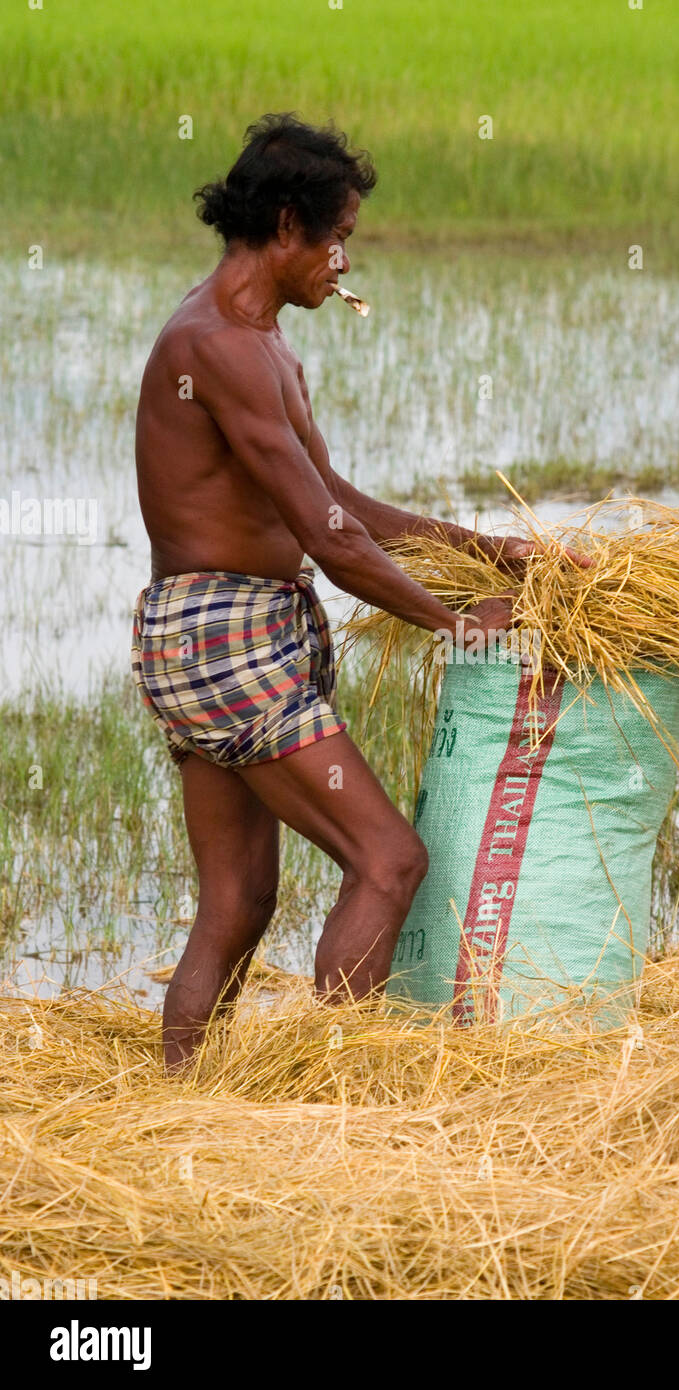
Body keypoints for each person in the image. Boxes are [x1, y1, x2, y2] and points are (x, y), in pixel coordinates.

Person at [131, 112, 589, 1072]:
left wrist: (497, 551)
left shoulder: (253, 340)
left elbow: (336, 503)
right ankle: (341, 1098)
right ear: (288, 226)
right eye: (338, 240)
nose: (343, 265)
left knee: (240, 899)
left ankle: (172, 1105)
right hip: (227, 643)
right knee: (390, 860)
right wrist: (460, 626)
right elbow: (329, 543)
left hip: (217, 635)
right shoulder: (216, 346)